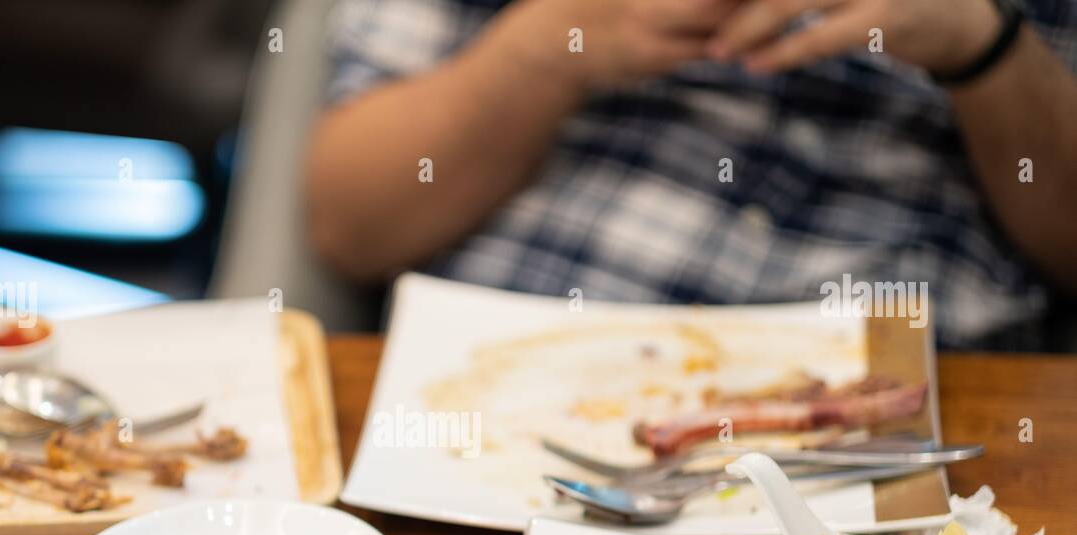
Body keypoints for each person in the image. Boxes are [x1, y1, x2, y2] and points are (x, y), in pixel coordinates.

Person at [304, 0, 1077, 344]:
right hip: (522, 379)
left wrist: (981, 45)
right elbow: (350, 222)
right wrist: (552, 39)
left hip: (910, 417)